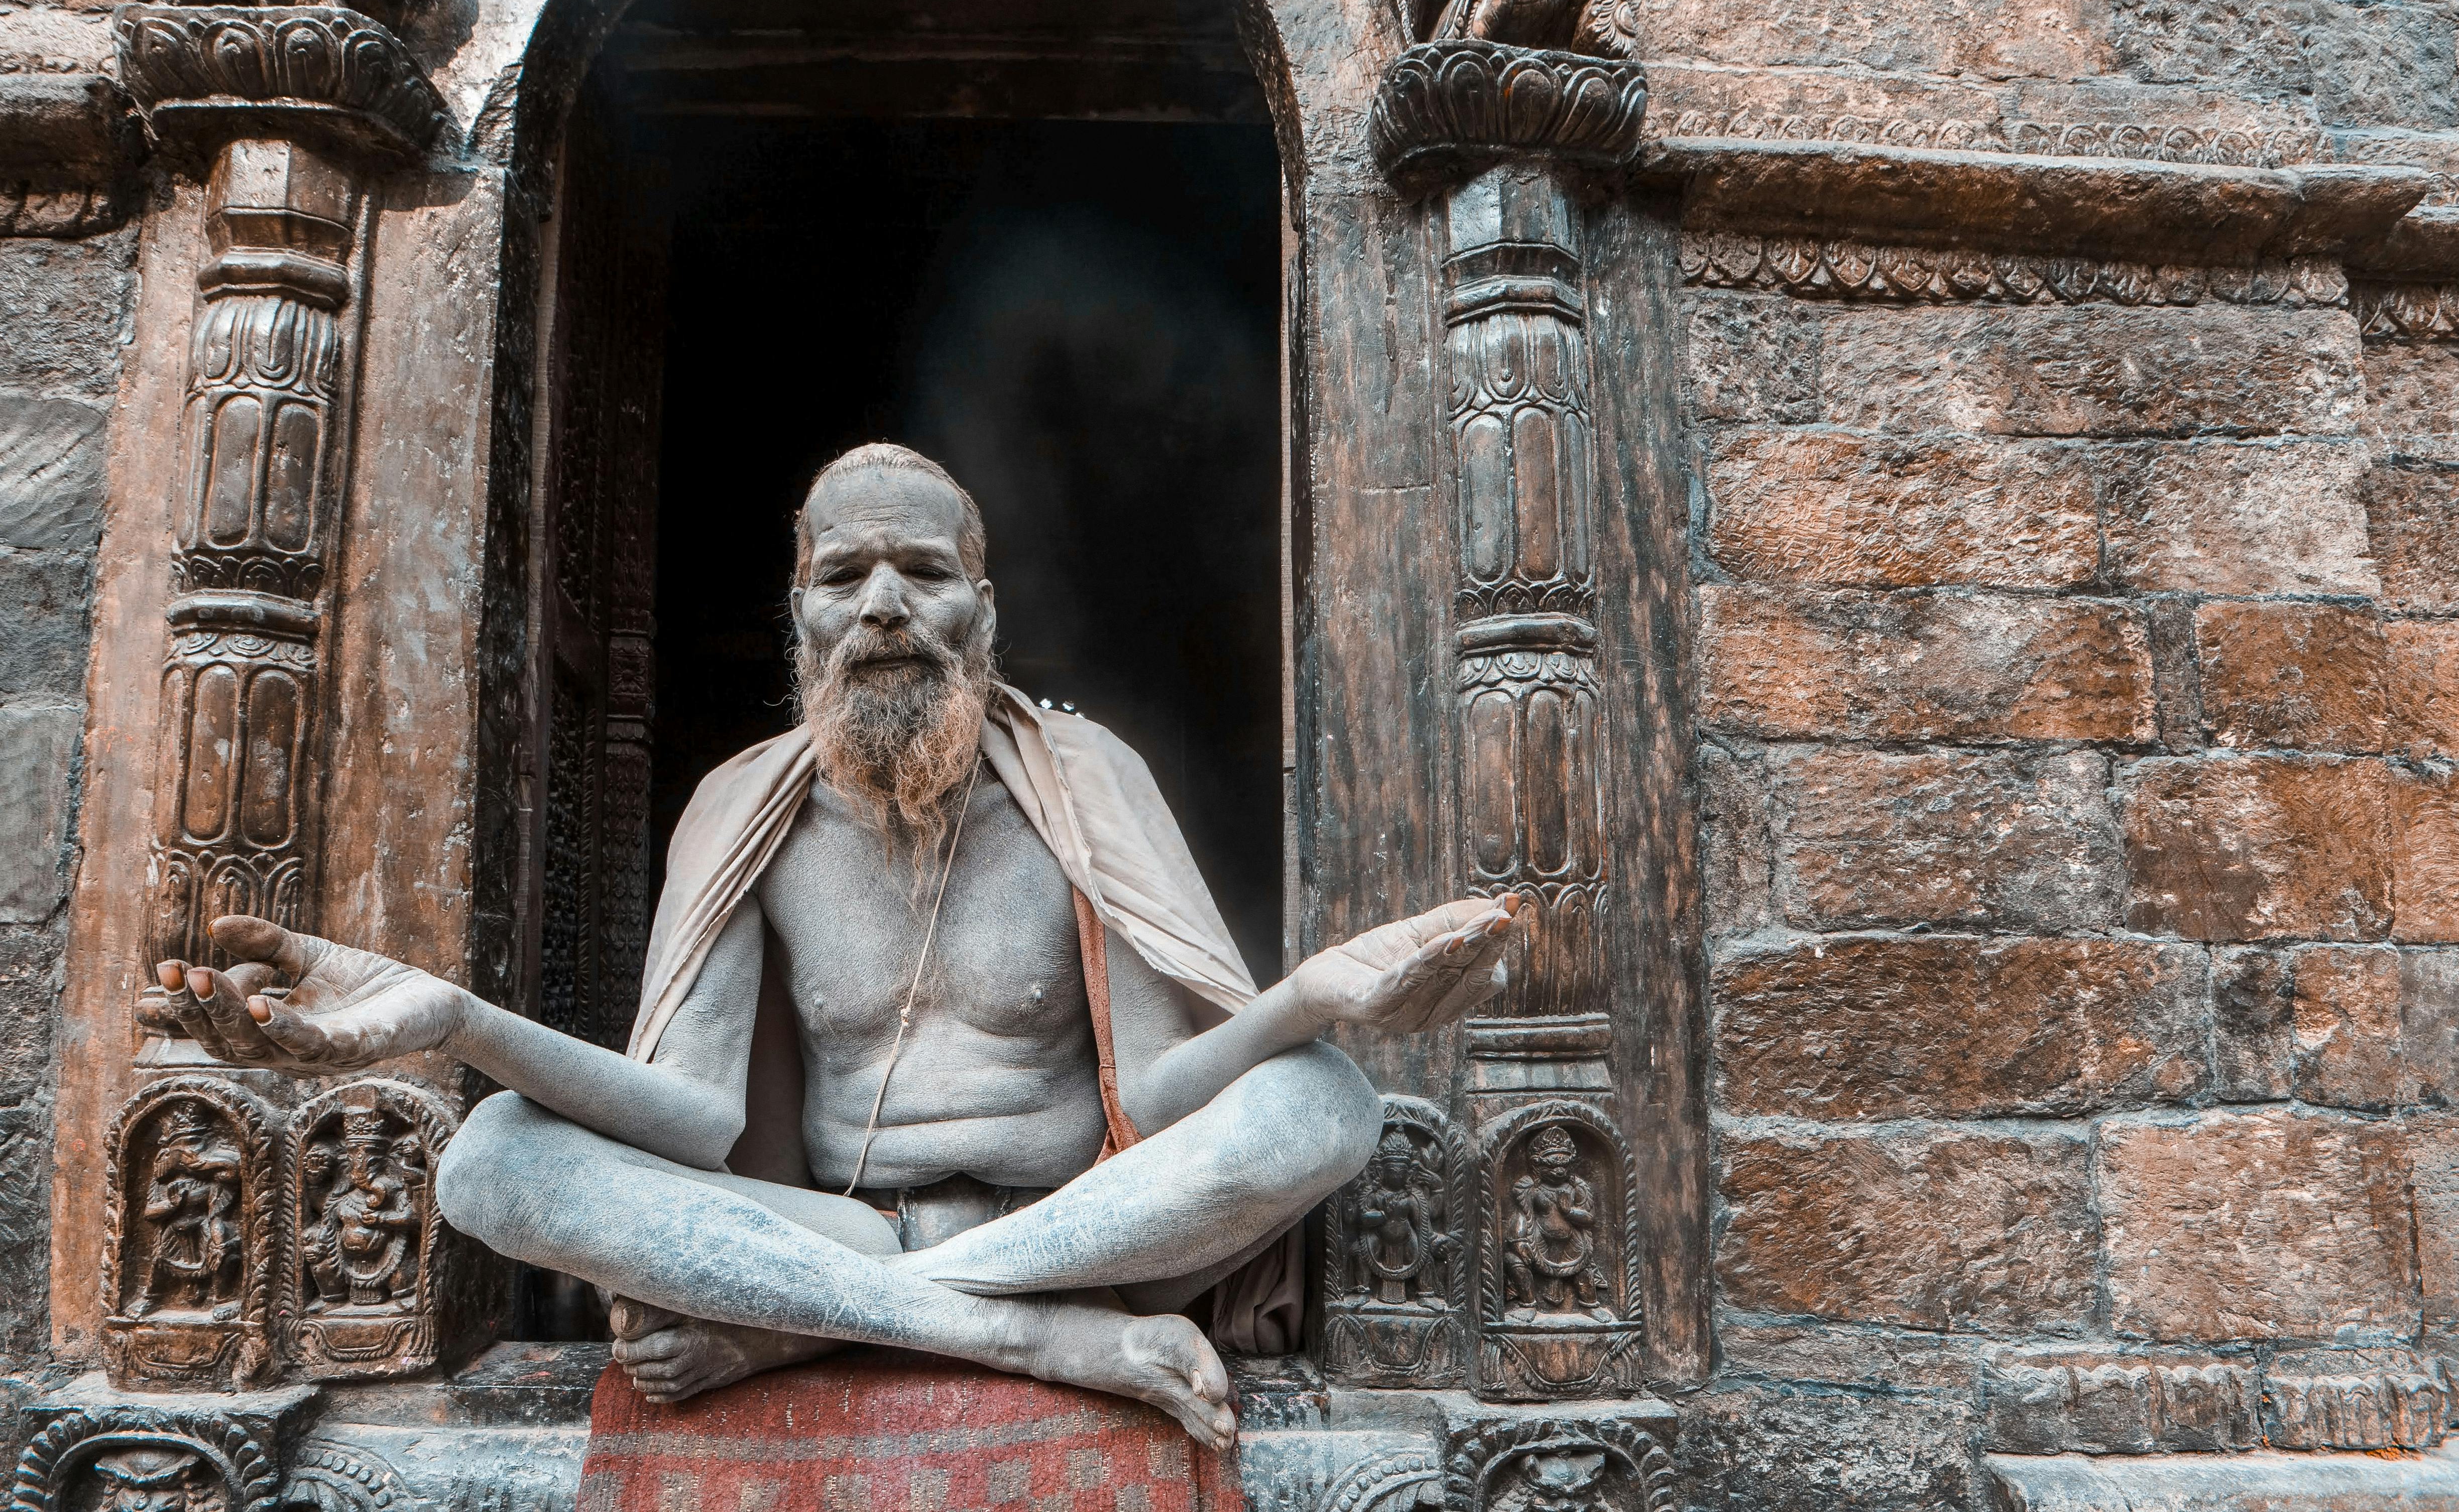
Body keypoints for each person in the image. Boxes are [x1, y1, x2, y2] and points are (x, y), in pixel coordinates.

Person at [156, 443, 1524, 1446]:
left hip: (1088, 1233)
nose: (881, 605)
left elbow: (1164, 1104)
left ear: (982, 610)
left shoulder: (1086, 779)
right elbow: (694, 1119)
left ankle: (817, 1327)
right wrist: (454, 1020)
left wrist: (1308, 998)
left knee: (1322, 1102)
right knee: (492, 1158)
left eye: (923, 572)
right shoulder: (740, 808)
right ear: (800, 613)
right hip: (837, 1230)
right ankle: (1015, 1338)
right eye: (842, 576)